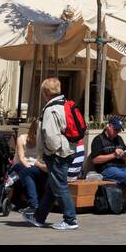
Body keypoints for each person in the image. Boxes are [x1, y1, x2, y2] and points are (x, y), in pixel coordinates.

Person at [24, 78, 79, 230]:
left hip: (57, 153)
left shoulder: (50, 109)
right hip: (68, 149)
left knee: (59, 186)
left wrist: (50, 152)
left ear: (46, 92)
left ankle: (70, 219)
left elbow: (50, 136)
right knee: (52, 186)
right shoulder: (64, 104)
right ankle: (39, 217)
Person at [12, 122, 48, 214]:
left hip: (35, 164)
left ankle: (36, 203)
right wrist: (28, 165)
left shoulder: (43, 141)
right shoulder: (22, 139)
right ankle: (34, 204)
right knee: (26, 171)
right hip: (21, 164)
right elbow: (21, 158)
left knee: (40, 174)